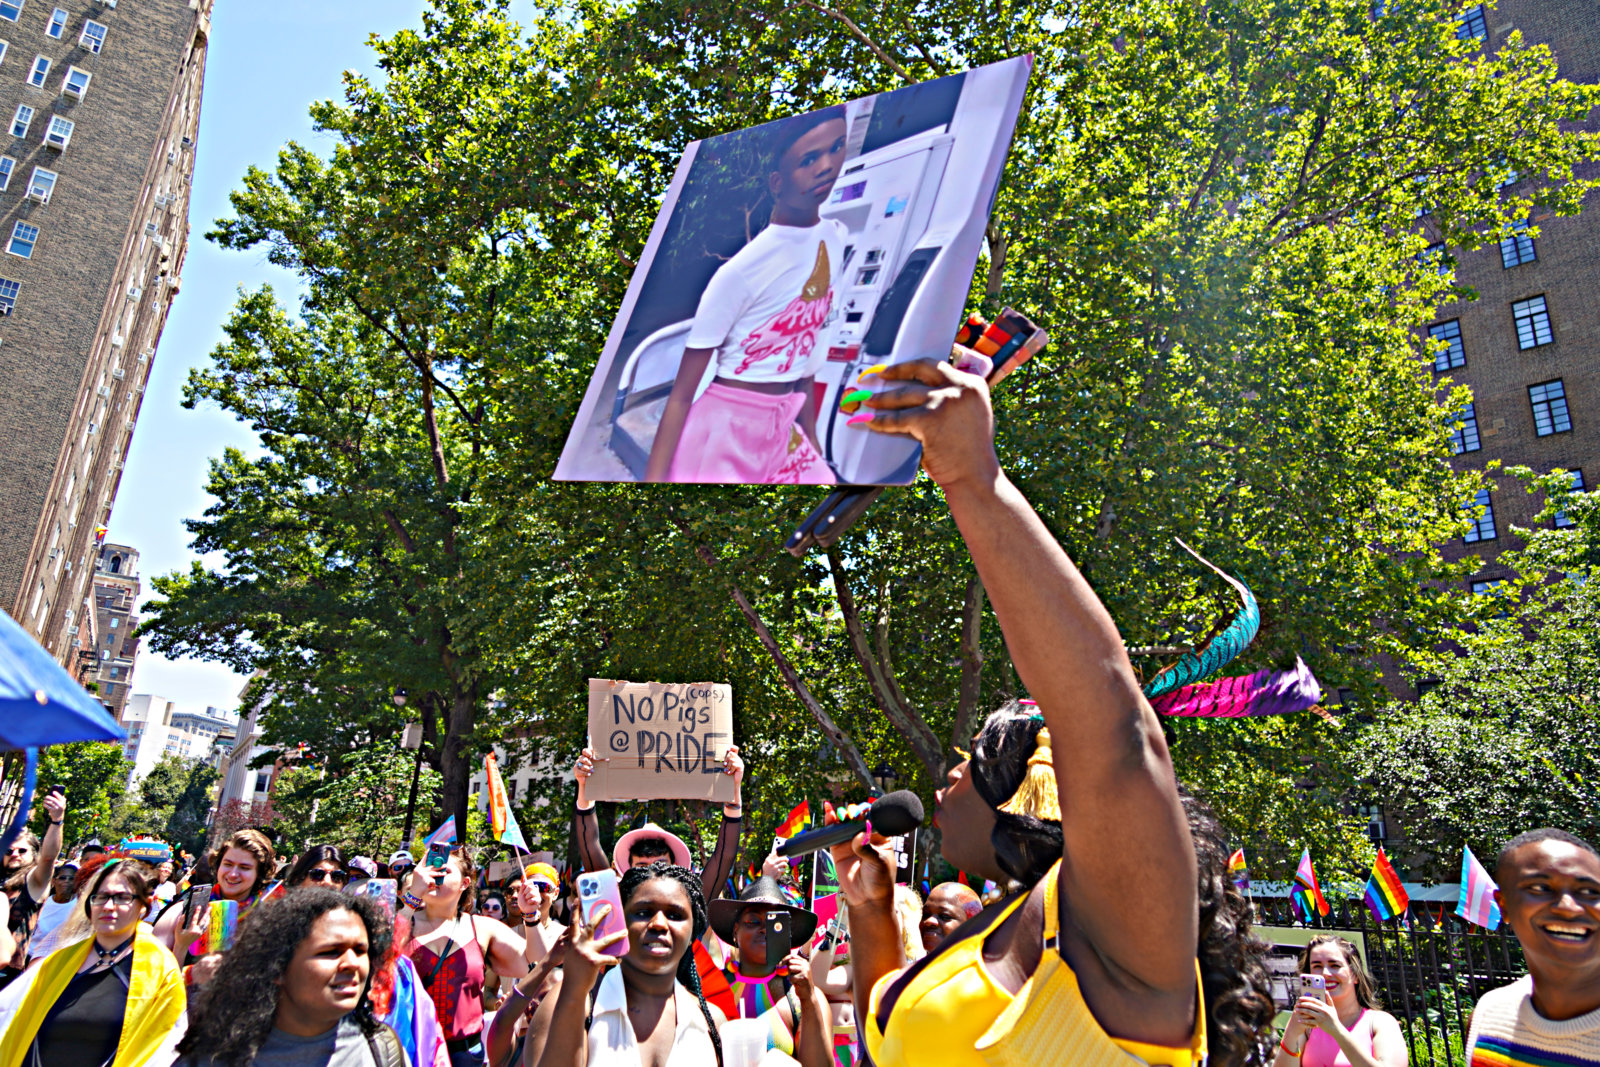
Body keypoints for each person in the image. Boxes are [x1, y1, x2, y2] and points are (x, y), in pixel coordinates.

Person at [828, 350, 1281, 1065]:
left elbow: (1115, 725)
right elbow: (898, 1032)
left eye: (973, 762)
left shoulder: (1117, 938)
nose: (947, 780)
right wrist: (872, 908)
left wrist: (974, 478)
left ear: (1032, 789)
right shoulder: (1000, 923)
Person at [642, 105, 851, 484]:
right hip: (723, 432)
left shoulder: (835, 237)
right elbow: (681, 395)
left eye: (837, 147)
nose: (826, 166)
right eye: (809, 159)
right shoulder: (739, 273)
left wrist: (813, 441)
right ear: (777, 182)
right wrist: (650, 488)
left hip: (783, 424)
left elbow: (807, 356)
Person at [519, 864, 728, 1067]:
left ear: (693, 931)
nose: (659, 924)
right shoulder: (570, 1000)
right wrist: (574, 990)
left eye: (675, 915)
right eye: (643, 912)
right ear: (620, 921)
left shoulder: (712, 1021)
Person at [175, 888, 407, 1066]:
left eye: (360, 950)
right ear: (277, 968)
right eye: (329, 952)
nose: (351, 964)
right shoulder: (216, 1057)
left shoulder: (381, 1048)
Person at [0, 857, 186, 1067]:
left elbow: (166, 1045)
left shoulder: (161, 970)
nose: (108, 906)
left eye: (122, 897)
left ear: (144, 906)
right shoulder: (58, 962)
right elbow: (8, 1014)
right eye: (101, 897)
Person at [1465, 829, 1600, 1065]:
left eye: (1589, 892)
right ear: (1503, 906)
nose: (1569, 907)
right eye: (1540, 888)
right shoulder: (1488, 1017)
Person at [402, 845, 530, 1066]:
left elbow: (533, 963)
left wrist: (532, 914)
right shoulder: (404, 924)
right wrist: (413, 894)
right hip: (411, 1050)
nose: (435, 875)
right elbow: (379, 954)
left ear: (465, 883)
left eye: (444, 871)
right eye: (430, 869)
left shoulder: (481, 927)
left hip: (465, 1054)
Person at [570, 744, 746, 904]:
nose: (652, 874)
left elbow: (725, 855)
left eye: (660, 865)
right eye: (642, 867)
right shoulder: (615, 908)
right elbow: (590, 847)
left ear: (674, 868)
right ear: (628, 871)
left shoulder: (690, 906)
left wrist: (734, 788)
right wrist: (586, 787)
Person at [707, 876, 832, 1065]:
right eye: (753, 921)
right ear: (735, 931)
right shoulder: (711, 988)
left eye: (775, 923)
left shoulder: (802, 995)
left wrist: (808, 1000)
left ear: (787, 933)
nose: (764, 929)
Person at [155, 829, 279, 985]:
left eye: (244, 867)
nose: (233, 874)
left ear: (259, 873)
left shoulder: (271, 919)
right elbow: (151, 979)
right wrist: (182, 949)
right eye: (228, 864)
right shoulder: (184, 911)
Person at [1273, 936, 1405, 1067]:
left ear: (1355, 975)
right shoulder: (1308, 1026)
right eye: (1317, 966)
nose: (1325, 973)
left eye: (1335, 965)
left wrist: (1336, 1029)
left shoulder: (1380, 1023)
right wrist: (1292, 1032)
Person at [1, 788, 67, 983]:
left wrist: (57, 821)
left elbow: (48, 857)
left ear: (33, 854)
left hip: (6, 974)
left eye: (22, 850)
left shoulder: (33, 880)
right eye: (9, 850)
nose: (14, 854)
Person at [25, 860, 80, 960]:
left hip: (54, 959)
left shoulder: (79, 907)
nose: (66, 881)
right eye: (62, 878)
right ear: (54, 881)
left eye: (71, 878)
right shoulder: (42, 901)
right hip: (30, 955)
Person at [516, 865, 566, 966]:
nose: (536, 893)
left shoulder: (566, 936)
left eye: (544, 887)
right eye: (531, 886)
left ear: (555, 893)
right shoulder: (508, 935)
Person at [918, 882, 982, 955]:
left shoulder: (977, 966)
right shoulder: (915, 965)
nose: (929, 921)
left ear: (972, 926)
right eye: (926, 914)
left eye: (945, 916)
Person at [285, 845, 351, 890]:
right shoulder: (281, 909)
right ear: (297, 880)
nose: (327, 882)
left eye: (337, 875)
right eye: (318, 874)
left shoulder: (350, 910)